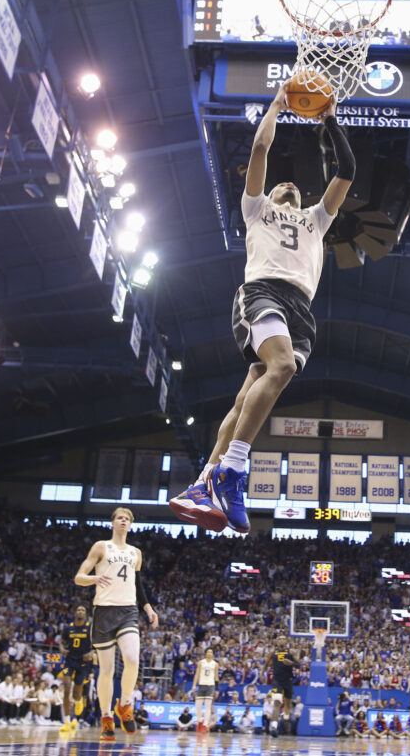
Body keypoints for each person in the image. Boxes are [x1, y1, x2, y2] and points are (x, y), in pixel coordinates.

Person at [170, 83, 355, 534]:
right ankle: (233, 471)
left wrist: (329, 119)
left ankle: (202, 482)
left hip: (301, 312)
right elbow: (260, 147)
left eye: (293, 184)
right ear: (268, 196)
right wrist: (275, 105)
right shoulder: (256, 209)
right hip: (263, 293)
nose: (287, 184)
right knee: (283, 366)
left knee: (248, 392)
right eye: (279, 184)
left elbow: (347, 169)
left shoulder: (316, 217)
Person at [73, 507, 159, 740]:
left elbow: (138, 585)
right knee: (107, 671)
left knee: (132, 659)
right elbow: (79, 577)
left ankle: (125, 704)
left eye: (127, 519)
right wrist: (94, 578)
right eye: (119, 518)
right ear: (113, 523)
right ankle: (106, 717)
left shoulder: (135, 552)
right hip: (103, 611)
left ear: (130, 525)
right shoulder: (101, 546)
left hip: (128, 610)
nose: (123, 521)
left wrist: (148, 607)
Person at [58, 605, 94, 733]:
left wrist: (92, 652)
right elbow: (61, 642)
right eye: (78, 609)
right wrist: (62, 649)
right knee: (67, 687)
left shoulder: (90, 627)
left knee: (76, 693)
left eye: (83, 610)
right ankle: (66, 721)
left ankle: (76, 713)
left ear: (85, 614)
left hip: (83, 663)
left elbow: (96, 643)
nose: (80, 611)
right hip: (70, 660)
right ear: (75, 613)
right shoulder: (68, 628)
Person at [269, 637, 298, 733]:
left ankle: (286, 718)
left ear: (286, 641)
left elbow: (300, 665)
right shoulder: (272, 652)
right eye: (279, 639)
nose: (281, 640)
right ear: (276, 641)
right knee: (277, 703)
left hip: (288, 680)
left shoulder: (291, 652)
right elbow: (266, 664)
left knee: (287, 705)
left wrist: (292, 663)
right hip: (277, 680)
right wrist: (261, 673)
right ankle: (273, 727)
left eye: (283, 639)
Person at [191, 647, 219, 732]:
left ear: (213, 654)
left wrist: (217, 689)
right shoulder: (201, 663)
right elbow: (197, 674)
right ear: (205, 653)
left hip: (210, 685)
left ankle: (205, 724)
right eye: (208, 652)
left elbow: (216, 677)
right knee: (198, 705)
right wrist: (194, 685)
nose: (209, 653)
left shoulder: (215, 664)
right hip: (202, 684)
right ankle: (200, 720)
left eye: (211, 652)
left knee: (208, 706)